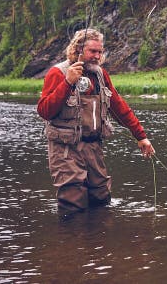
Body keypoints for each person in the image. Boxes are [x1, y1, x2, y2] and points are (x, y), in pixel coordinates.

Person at [37, 28, 155, 212]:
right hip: (65, 149)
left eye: (100, 51)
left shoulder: (100, 75)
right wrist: (68, 82)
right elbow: (45, 111)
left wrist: (141, 136)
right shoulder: (58, 73)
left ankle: (97, 240)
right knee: (73, 203)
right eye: (93, 51)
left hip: (93, 147)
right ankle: (72, 240)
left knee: (101, 199)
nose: (97, 56)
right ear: (78, 50)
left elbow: (118, 107)